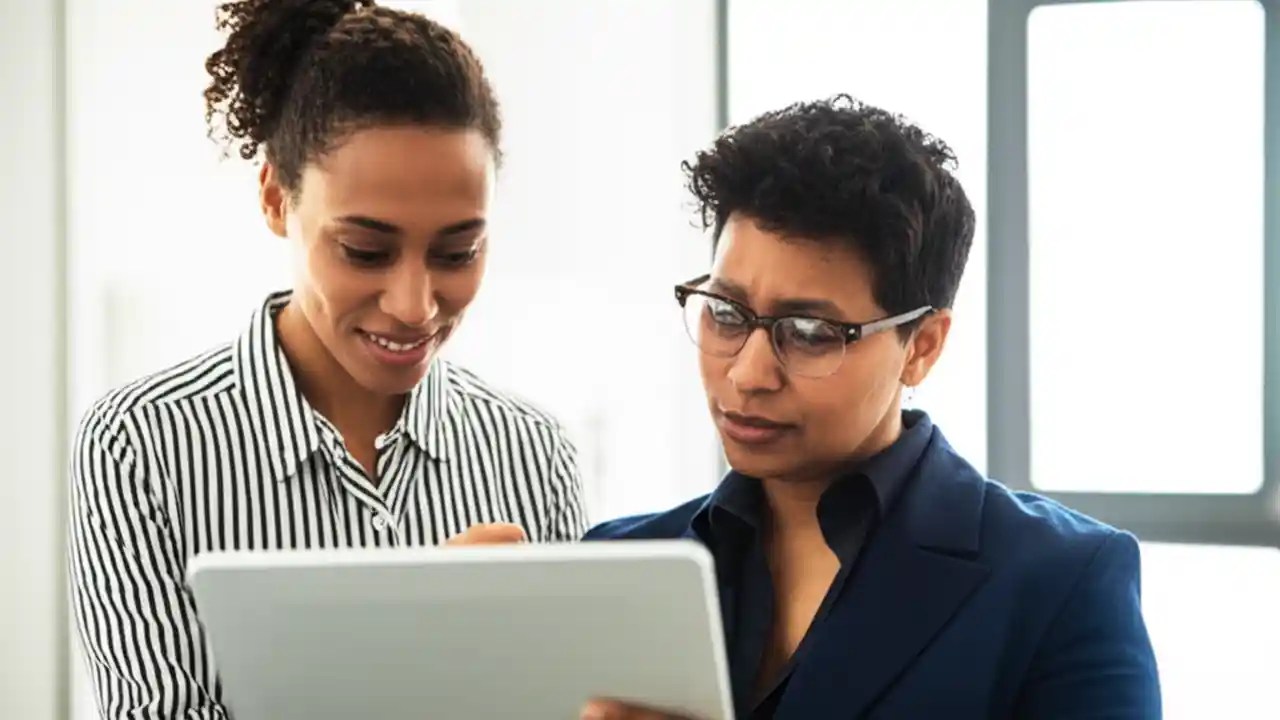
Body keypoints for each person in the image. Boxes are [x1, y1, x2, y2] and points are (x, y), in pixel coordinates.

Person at [67, 2, 584, 718]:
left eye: (457, 252)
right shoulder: (142, 446)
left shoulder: (532, 456)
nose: (414, 304)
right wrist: (413, 653)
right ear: (277, 198)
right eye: (365, 251)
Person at [582, 96, 1161, 719]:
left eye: (807, 332)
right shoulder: (618, 566)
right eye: (725, 314)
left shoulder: (1059, 582)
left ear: (924, 346)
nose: (748, 374)